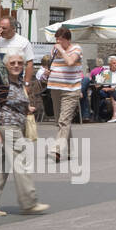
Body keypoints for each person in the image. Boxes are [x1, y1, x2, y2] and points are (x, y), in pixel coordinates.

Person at [0, 52, 49, 217]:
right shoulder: (2, 83)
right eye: (12, 62)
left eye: (20, 63)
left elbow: (16, 102)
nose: (16, 65)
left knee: (0, 168)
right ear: (6, 65)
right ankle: (29, 202)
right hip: (8, 127)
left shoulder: (19, 82)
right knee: (21, 162)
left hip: (14, 126)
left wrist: (27, 108)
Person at [46, 26, 84, 161]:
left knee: (64, 120)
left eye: (60, 40)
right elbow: (53, 66)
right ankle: (69, 151)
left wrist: (61, 50)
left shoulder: (76, 49)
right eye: (56, 39)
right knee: (60, 121)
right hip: (55, 88)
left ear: (68, 40)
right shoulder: (54, 51)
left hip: (71, 89)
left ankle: (57, 149)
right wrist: (47, 72)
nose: (58, 42)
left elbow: (70, 62)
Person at [94, 55, 116, 123]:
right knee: (96, 93)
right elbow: (103, 84)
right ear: (109, 64)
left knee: (112, 93)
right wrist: (100, 86)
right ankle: (98, 115)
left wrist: (112, 89)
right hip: (107, 91)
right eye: (114, 63)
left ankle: (110, 115)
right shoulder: (106, 72)